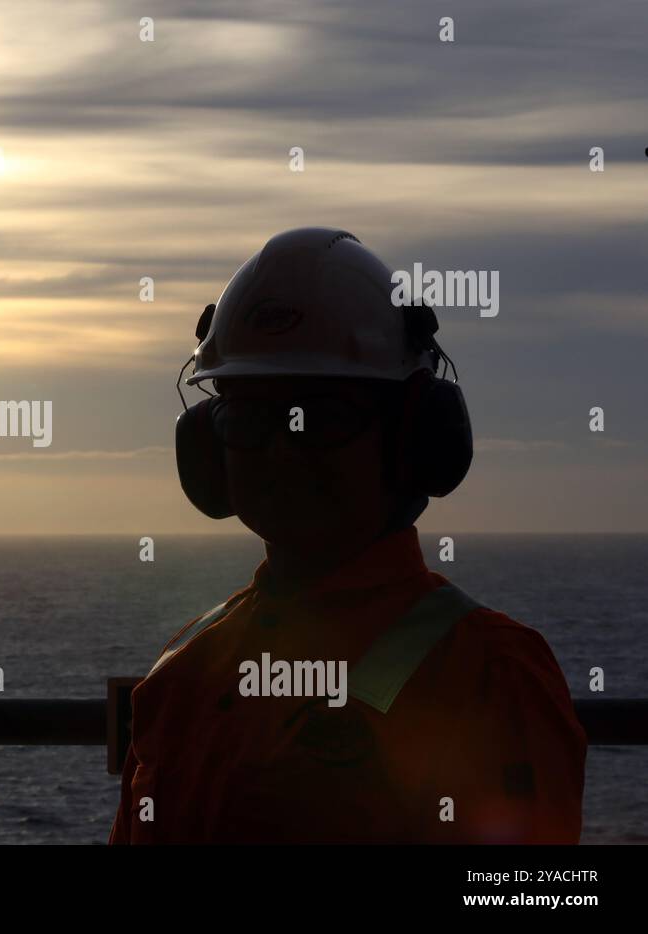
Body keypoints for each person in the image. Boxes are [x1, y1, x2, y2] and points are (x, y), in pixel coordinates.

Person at [109, 227, 586, 844]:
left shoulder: (490, 675)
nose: (280, 453)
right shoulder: (183, 669)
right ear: (207, 443)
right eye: (250, 420)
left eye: (322, 419)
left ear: (412, 436)